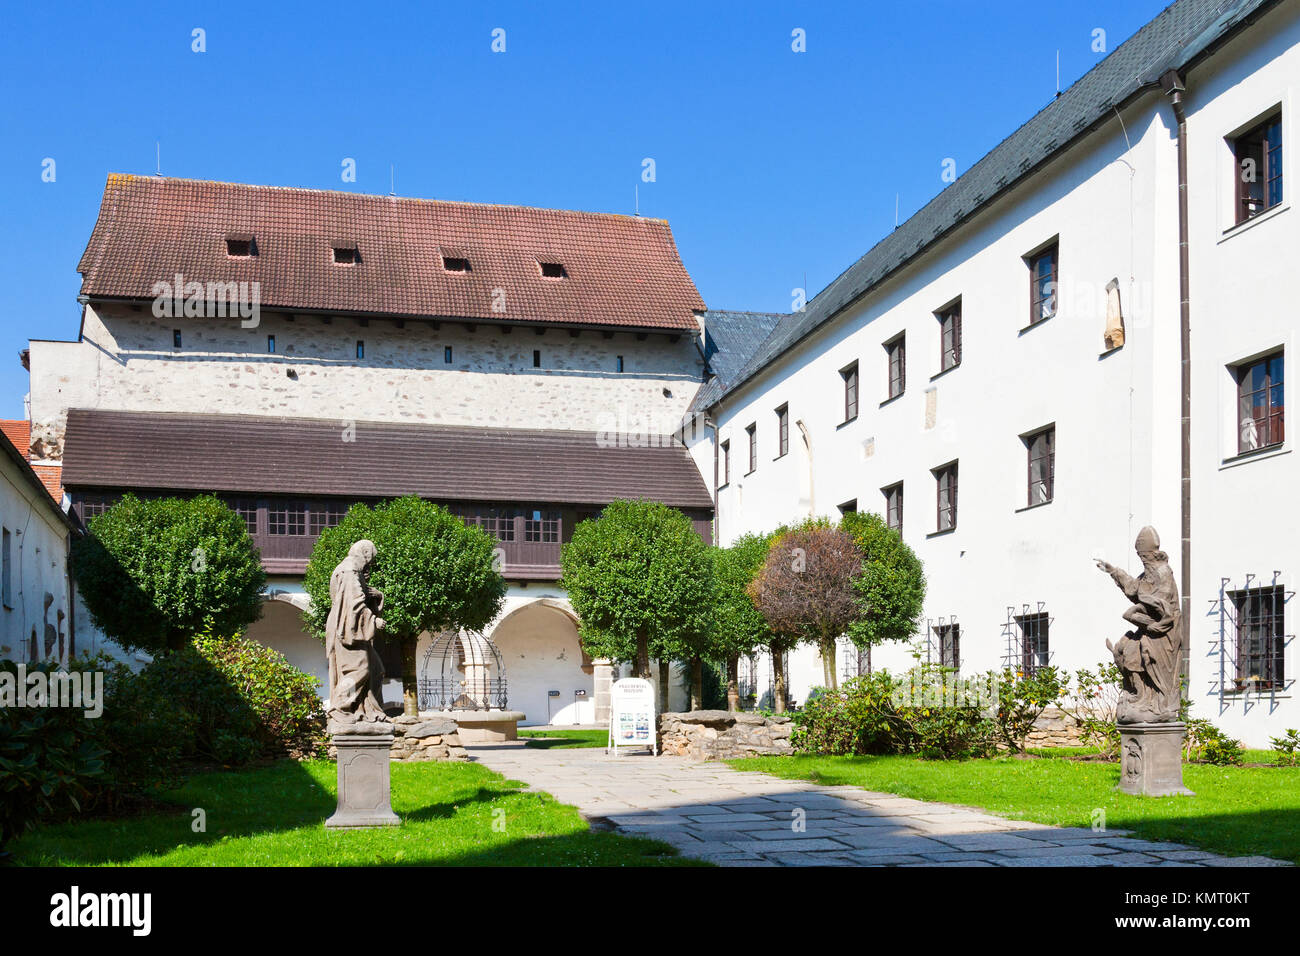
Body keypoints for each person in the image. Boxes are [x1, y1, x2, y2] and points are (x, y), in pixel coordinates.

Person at [1095, 526, 1183, 723]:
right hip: (1149, 629)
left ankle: (1161, 705)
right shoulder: (1148, 574)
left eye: (1144, 555)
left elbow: (1162, 603)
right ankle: (1140, 697)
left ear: (1153, 553)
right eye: (1139, 556)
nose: (1142, 559)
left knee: (1150, 658)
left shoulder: (1163, 572)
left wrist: (1139, 611)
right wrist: (1113, 571)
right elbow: (1134, 588)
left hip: (1164, 633)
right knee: (1129, 651)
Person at [326, 539, 389, 723]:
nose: (370, 565)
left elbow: (359, 596)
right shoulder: (350, 570)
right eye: (370, 561)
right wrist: (373, 621)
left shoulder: (352, 571)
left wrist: (376, 596)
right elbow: (352, 604)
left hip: (352, 626)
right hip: (348, 628)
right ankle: (340, 706)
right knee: (359, 669)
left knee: (376, 670)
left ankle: (368, 709)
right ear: (365, 554)